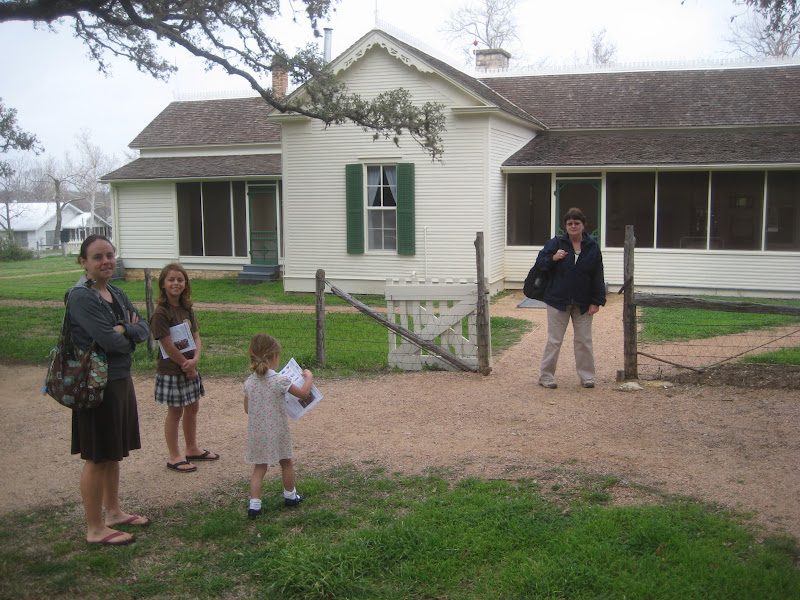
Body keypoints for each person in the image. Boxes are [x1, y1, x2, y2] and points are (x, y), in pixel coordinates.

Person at [68, 234, 151, 546]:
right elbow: (109, 341)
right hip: (96, 384)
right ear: (84, 262)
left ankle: (113, 512)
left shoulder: (115, 292)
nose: (106, 261)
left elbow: (143, 327)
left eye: (110, 255)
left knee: (113, 452)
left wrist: (126, 329)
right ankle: (95, 527)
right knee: (97, 456)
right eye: (97, 257)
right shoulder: (81, 297)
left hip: (118, 379)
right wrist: (123, 332)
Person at [150, 263, 219, 473]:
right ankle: (174, 455)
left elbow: (196, 335)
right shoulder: (161, 313)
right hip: (172, 370)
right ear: (163, 283)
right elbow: (166, 343)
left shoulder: (187, 308)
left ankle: (192, 447)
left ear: (185, 283)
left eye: (180, 280)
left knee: (193, 407)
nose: (176, 283)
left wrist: (196, 359)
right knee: (175, 411)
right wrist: (185, 364)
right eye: (171, 279)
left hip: (191, 368)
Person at [244, 333, 313, 520]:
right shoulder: (280, 381)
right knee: (286, 462)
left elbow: (247, 409)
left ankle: (255, 506)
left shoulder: (249, 383)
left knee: (259, 468)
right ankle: (291, 496)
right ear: (274, 357)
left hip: (258, 434)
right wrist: (308, 376)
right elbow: (304, 394)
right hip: (278, 431)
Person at [535, 207, 606, 389]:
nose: (573, 226)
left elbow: (597, 274)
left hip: (583, 302)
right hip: (558, 301)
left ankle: (587, 376)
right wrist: (553, 258)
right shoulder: (556, 243)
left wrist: (596, 301)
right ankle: (546, 376)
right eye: (569, 223)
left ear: (583, 225)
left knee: (584, 340)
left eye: (576, 223)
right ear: (565, 226)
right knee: (554, 340)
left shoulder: (592, 246)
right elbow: (540, 265)